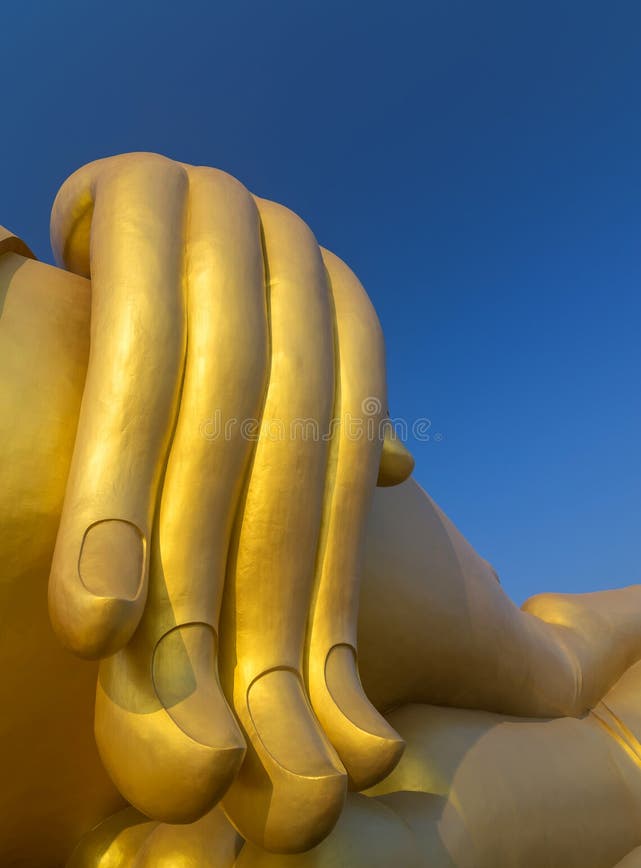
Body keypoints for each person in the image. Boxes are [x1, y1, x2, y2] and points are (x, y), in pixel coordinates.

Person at [1, 154, 641, 868]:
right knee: (552, 676)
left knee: (552, 671)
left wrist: (185, 233)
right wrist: (612, 761)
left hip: (228, 435)